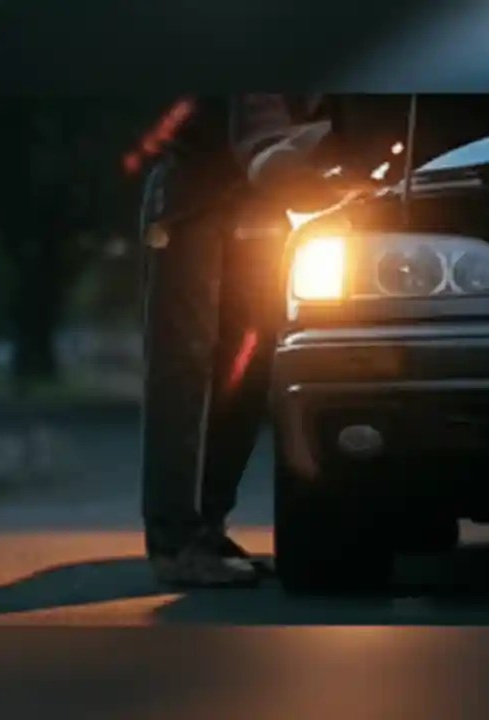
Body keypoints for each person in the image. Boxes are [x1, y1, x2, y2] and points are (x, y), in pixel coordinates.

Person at [139, 94, 346, 587]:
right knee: (186, 370)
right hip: (194, 203)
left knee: (247, 373)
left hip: (260, 212)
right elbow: (262, 141)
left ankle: (207, 529)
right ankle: (175, 542)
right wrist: (336, 153)